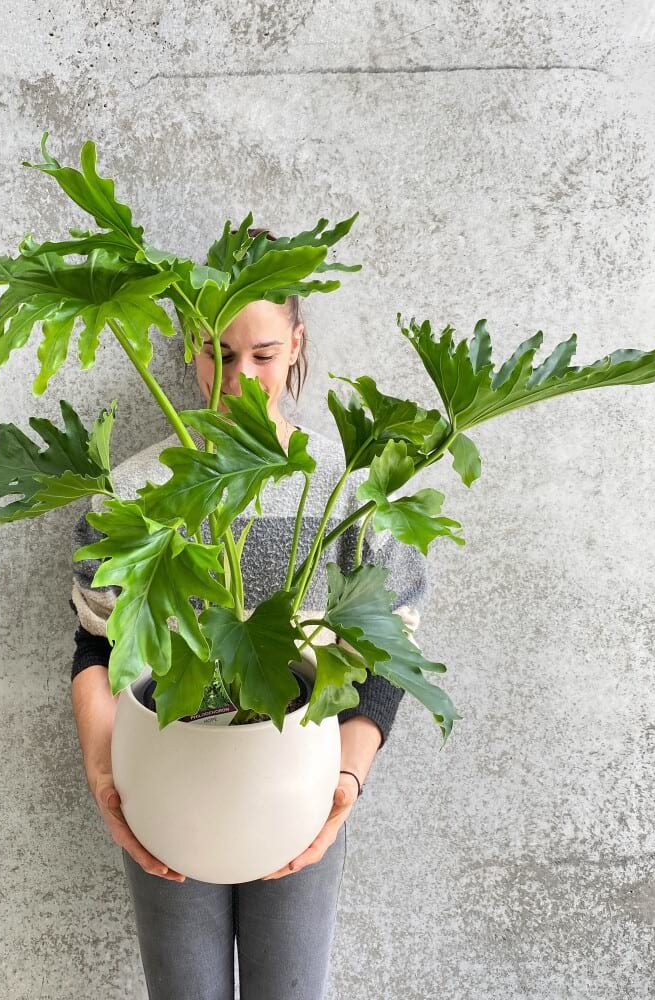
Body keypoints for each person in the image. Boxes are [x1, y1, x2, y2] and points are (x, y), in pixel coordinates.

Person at [67, 233, 429, 999]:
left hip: (299, 782)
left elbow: (391, 648)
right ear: (188, 347)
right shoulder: (134, 489)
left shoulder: (344, 487)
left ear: (296, 343)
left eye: (263, 354)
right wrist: (106, 779)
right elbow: (95, 649)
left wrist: (345, 785)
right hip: (168, 777)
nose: (239, 379)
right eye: (217, 353)